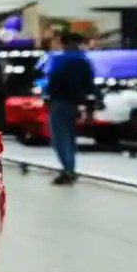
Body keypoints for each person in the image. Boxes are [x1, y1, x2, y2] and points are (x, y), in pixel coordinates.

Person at [45, 31, 97, 185]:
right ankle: (71, 167)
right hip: (76, 103)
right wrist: (89, 106)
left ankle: (67, 169)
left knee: (60, 137)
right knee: (70, 137)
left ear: (63, 43)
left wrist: (48, 96)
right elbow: (90, 85)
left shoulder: (59, 60)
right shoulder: (84, 61)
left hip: (60, 101)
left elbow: (53, 81)